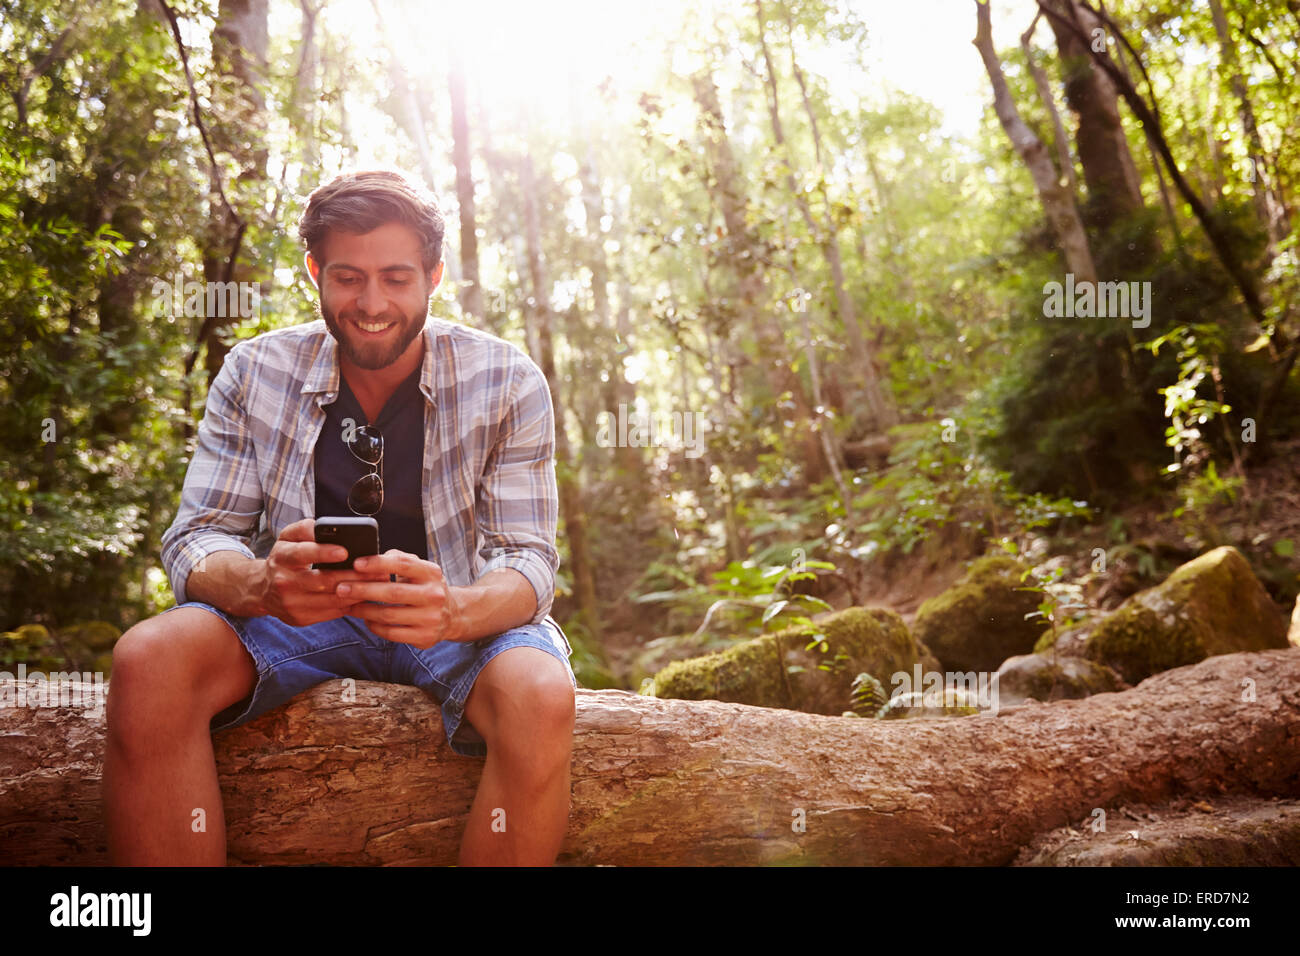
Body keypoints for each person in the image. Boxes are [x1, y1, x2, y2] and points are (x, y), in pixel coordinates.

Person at [104, 169, 577, 866]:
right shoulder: (254, 371)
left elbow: (529, 558)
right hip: (295, 621)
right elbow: (198, 536)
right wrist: (259, 585)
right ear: (314, 272)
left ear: (435, 276)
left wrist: (453, 610)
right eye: (348, 278)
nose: (372, 303)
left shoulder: (505, 379)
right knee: (147, 658)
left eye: (396, 277)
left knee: (541, 694)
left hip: (456, 624)